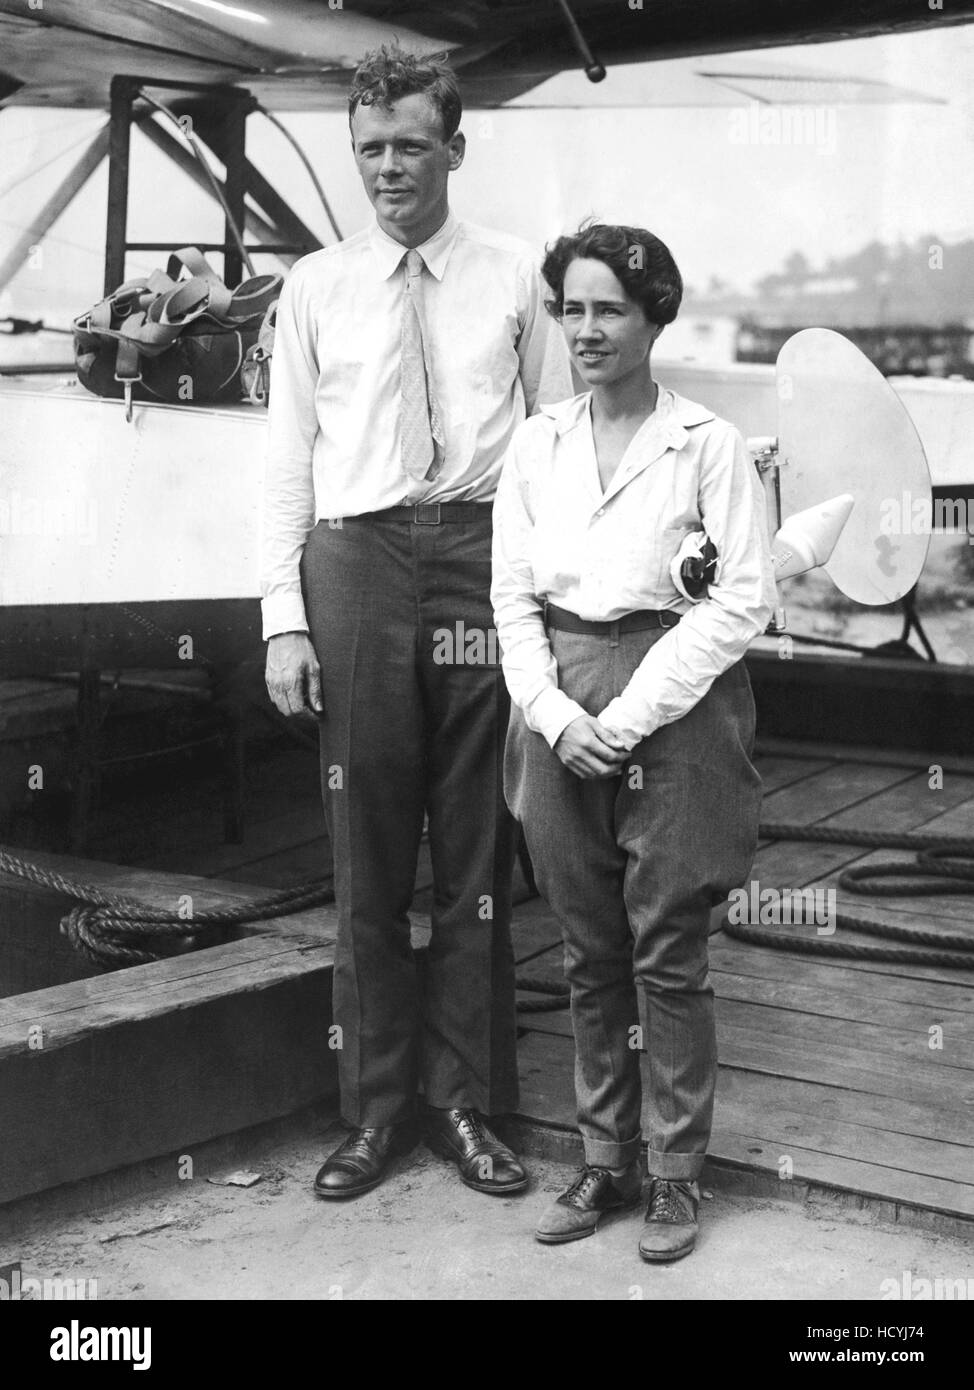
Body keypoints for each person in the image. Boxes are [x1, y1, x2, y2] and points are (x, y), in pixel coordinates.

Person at [260, 46, 572, 1199]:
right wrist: (280, 619)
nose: (387, 166)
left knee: (477, 845)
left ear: (454, 144)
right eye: (369, 148)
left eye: (407, 144)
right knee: (368, 847)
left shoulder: (512, 277)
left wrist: (541, 596)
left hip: (478, 557)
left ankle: (464, 1104)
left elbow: (552, 443)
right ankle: (376, 1110)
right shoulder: (314, 286)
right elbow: (284, 462)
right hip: (354, 561)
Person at [491, 223, 776, 1260]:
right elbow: (509, 599)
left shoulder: (706, 444)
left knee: (667, 950)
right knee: (586, 948)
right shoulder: (536, 443)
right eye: (570, 307)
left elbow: (739, 600)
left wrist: (626, 714)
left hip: (676, 704)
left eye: (608, 307)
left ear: (655, 313)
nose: (585, 328)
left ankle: (674, 1175)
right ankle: (602, 1158)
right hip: (558, 706)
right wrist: (556, 715)